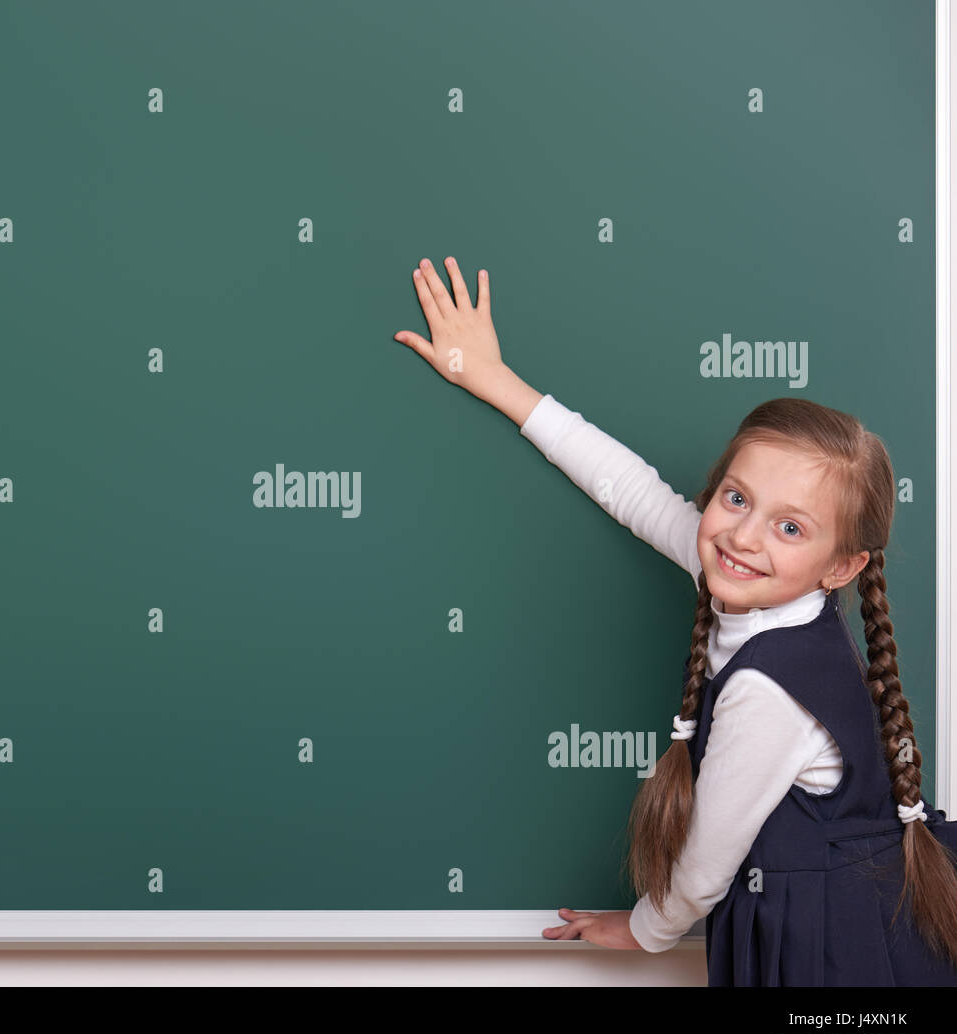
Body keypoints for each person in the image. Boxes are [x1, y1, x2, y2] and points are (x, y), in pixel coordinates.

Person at [395, 256, 957, 986]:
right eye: (736, 497)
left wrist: (641, 931)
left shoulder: (768, 692)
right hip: (840, 924)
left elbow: (701, 869)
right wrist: (496, 379)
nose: (745, 535)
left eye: (791, 527)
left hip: (839, 955)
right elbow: (631, 487)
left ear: (841, 566)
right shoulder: (753, 582)